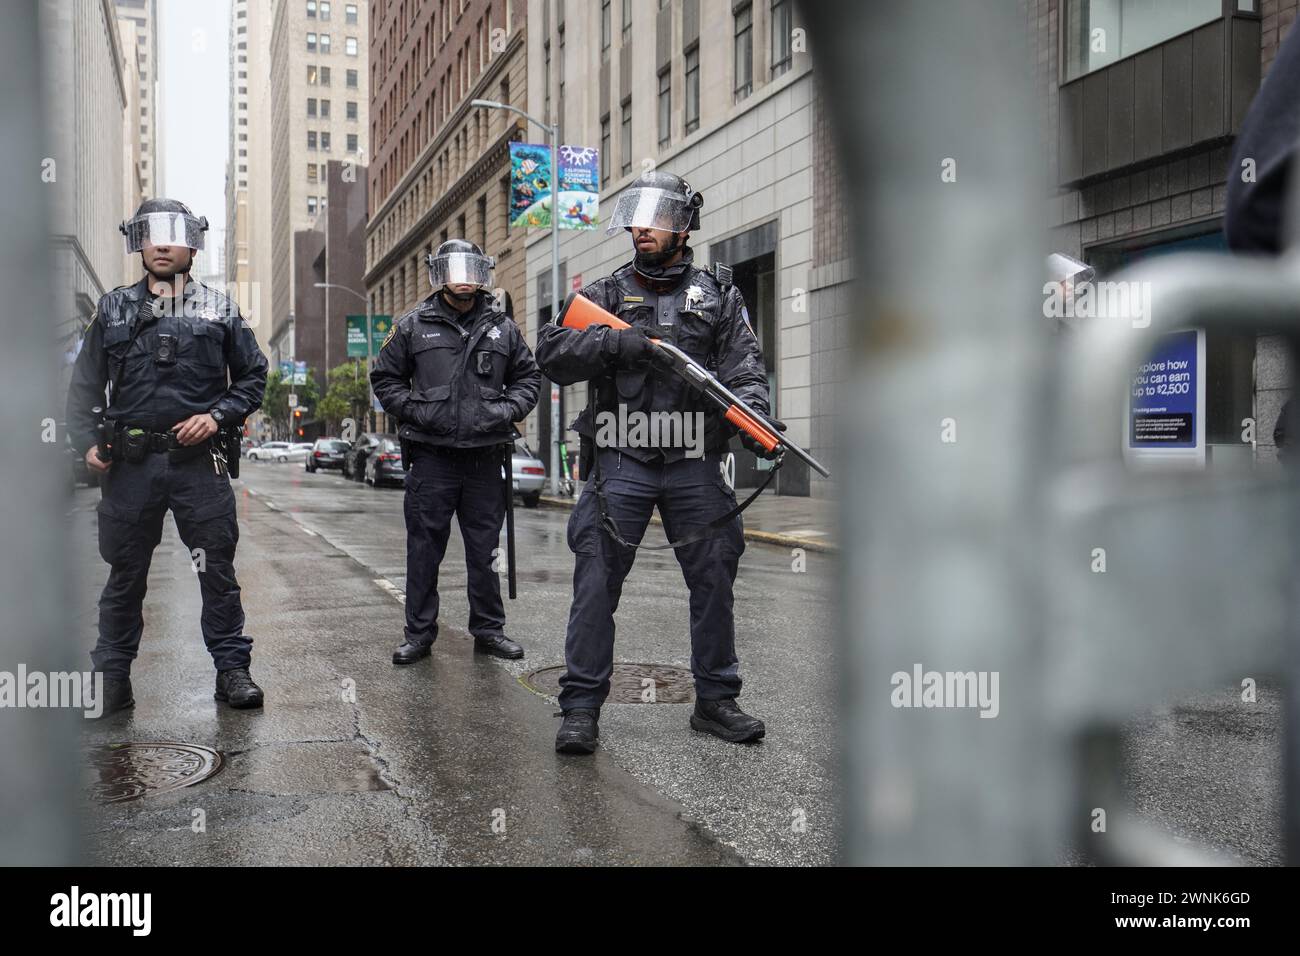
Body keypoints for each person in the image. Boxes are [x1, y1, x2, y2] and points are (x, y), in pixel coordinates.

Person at [535, 171, 779, 754]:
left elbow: (744, 368)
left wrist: (757, 421)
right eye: (638, 219)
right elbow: (551, 351)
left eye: (658, 219)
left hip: (696, 459)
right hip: (622, 457)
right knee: (596, 580)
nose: (643, 229)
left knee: (714, 579)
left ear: (685, 226)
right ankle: (581, 707)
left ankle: (716, 701)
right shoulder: (606, 292)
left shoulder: (719, 293)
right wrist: (615, 344)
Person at [67, 198, 268, 715]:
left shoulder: (220, 308)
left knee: (216, 571)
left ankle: (232, 670)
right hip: (131, 466)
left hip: (198, 464)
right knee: (125, 574)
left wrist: (218, 416)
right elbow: (84, 384)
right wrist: (86, 440)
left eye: (173, 234)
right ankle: (112, 678)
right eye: (151, 233)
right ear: (138, 242)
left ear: (193, 245)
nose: (161, 243)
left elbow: (253, 376)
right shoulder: (112, 309)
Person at [371, 240, 541, 664]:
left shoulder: (503, 328)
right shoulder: (413, 326)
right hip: (432, 458)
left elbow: (529, 379)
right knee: (424, 549)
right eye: (454, 270)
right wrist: (416, 412)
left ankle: (488, 629)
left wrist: (505, 411)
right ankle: (419, 634)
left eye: (471, 270)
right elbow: (385, 378)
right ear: (440, 274)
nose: (463, 279)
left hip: (485, 457)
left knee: (486, 552)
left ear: (482, 274)